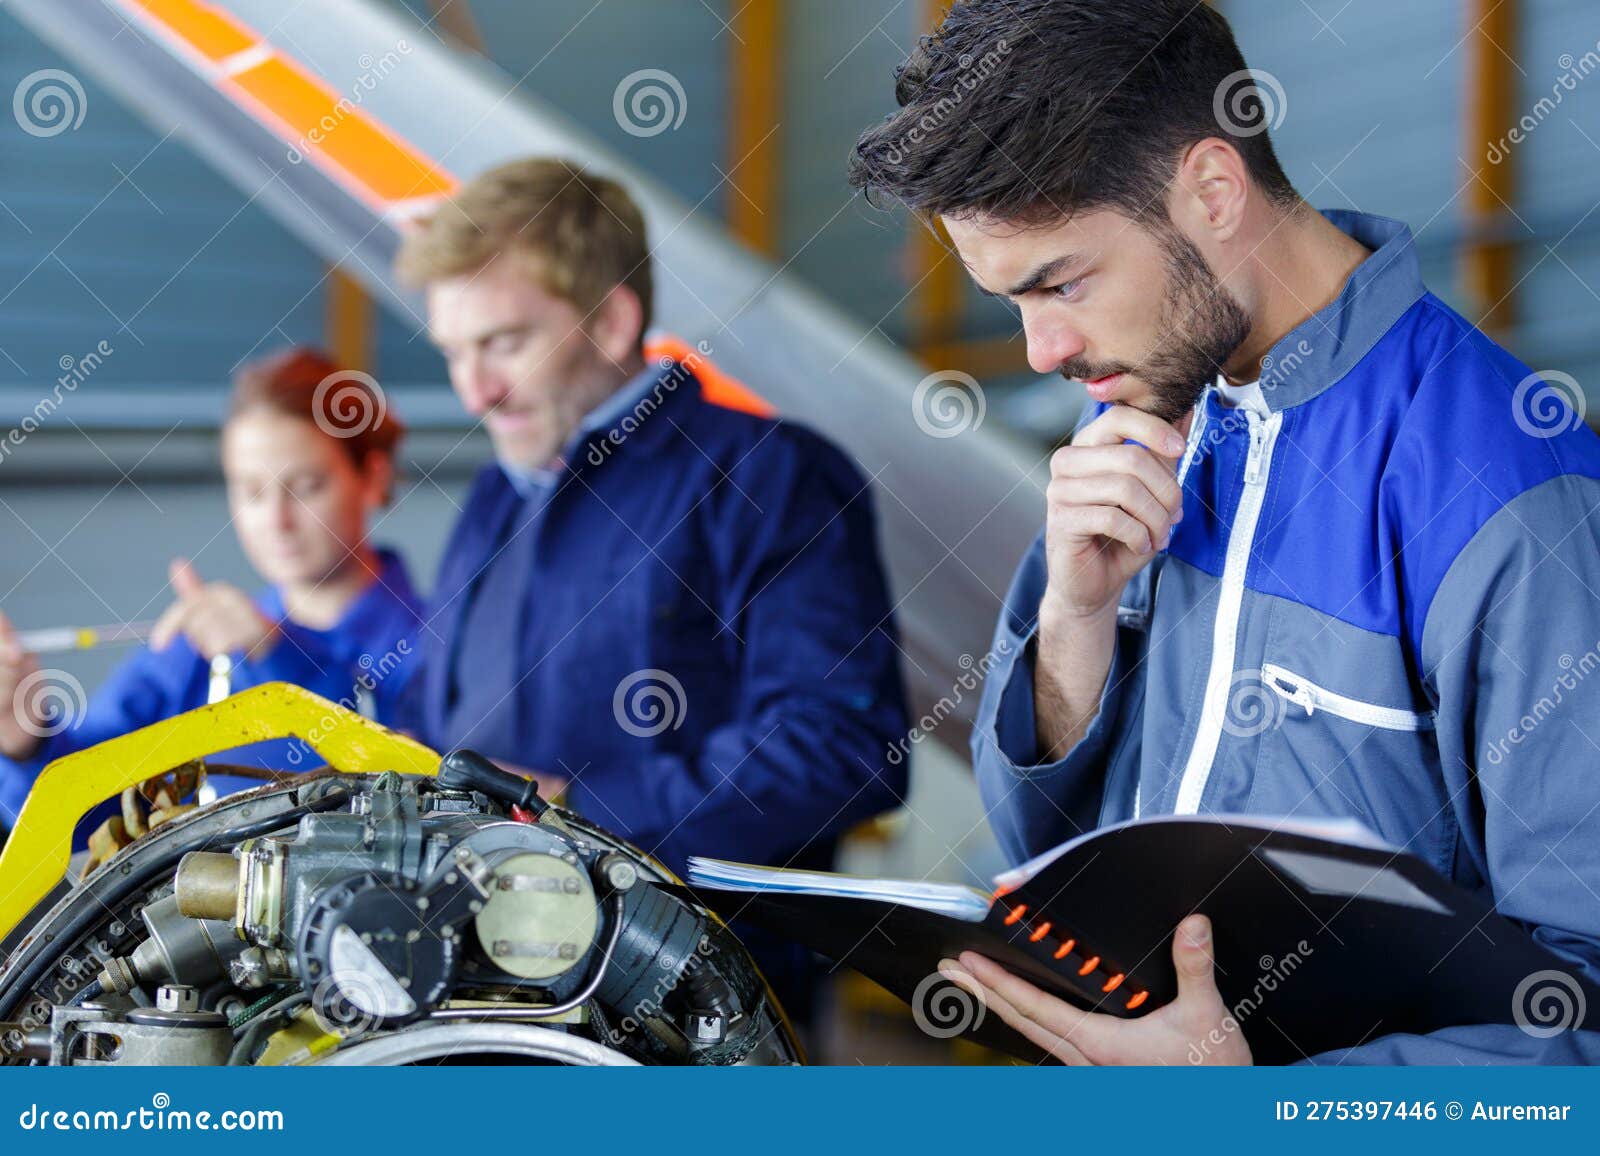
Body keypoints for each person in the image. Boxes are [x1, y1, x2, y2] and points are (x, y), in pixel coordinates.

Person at [850, 0, 1600, 1064]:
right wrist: (1073, 620)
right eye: (1010, 301)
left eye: (1059, 282)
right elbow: (1044, 865)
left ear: (1210, 189)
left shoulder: (1513, 496)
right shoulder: (1144, 412)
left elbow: (1583, 1027)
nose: (1039, 347)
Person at [393, 157, 909, 1019]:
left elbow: (844, 747)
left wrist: (575, 816)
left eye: (505, 343)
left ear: (611, 320)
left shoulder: (768, 477)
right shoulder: (497, 495)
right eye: (455, 352)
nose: (474, 390)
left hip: (692, 1015)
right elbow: (434, 725)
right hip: (486, 999)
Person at [0, 347, 423, 829]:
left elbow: (417, 788)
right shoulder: (202, 647)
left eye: (306, 486)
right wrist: (24, 738)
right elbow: (77, 818)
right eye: (251, 491)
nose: (276, 520)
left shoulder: (442, 645)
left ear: (372, 476)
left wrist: (280, 660)